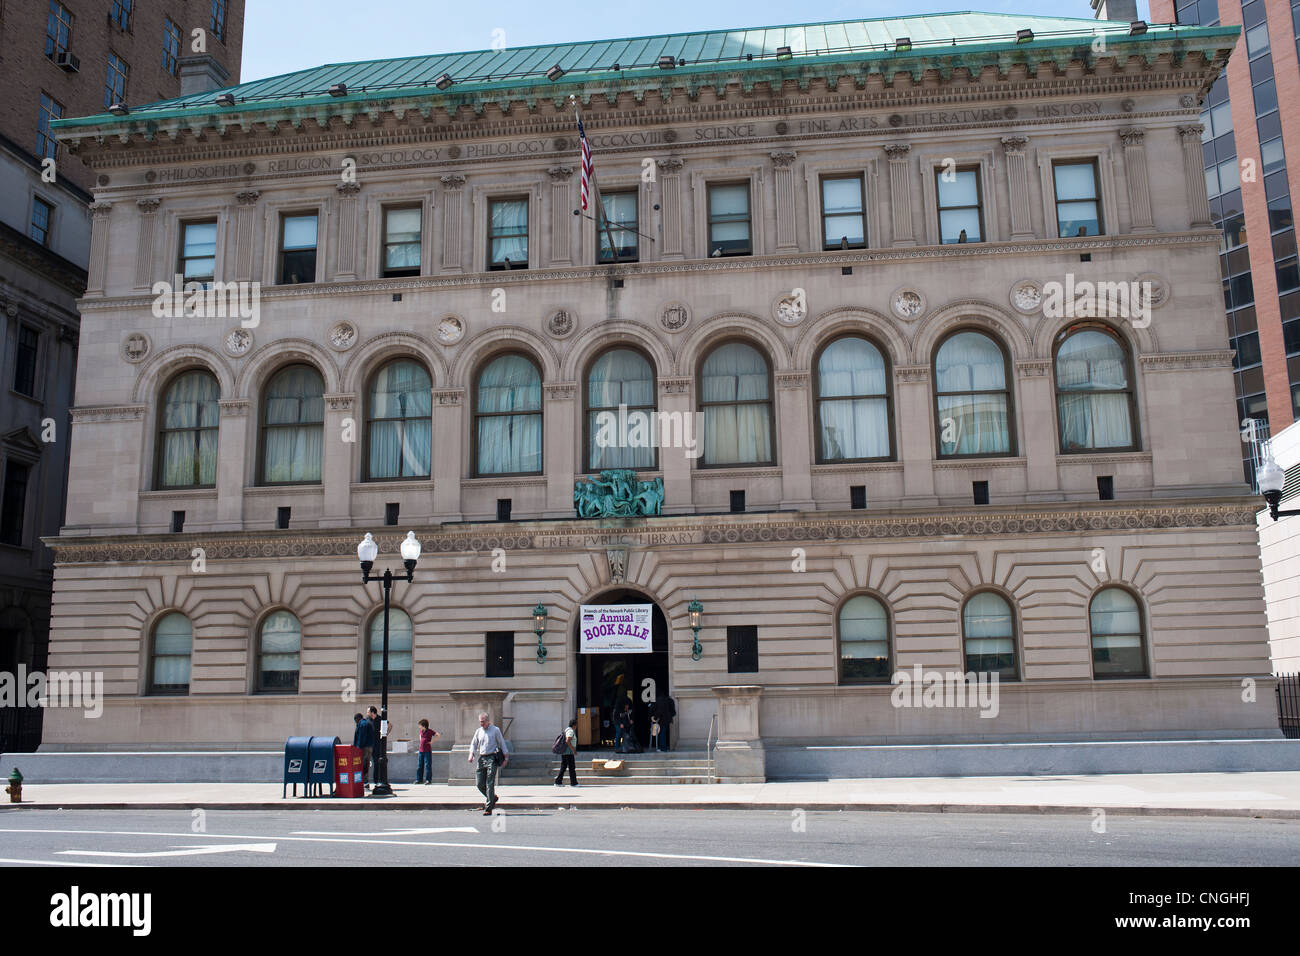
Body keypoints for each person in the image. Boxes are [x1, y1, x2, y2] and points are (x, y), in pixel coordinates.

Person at [467, 711, 509, 814]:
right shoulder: (478, 731)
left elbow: (501, 742)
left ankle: (488, 808)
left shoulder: (495, 730)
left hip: (492, 758)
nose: (481, 724)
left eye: (483, 722)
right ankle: (492, 797)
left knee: (490, 783)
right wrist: (471, 754)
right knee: (479, 784)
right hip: (482, 758)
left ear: (488, 721)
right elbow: (474, 743)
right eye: (480, 722)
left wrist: (506, 757)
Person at [554, 717, 579, 787]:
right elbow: (567, 740)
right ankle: (574, 783)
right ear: (574, 725)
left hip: (565, 752)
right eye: (576, 725)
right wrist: (573, 750)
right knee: (571, 767)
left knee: (564, 766)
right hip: (568, 752)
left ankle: (558, 781)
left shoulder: (567, 730)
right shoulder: (570, 731)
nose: (577, 727)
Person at [352, 712, 374, 790]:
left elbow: (361, 737)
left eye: (356, 721)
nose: (356, 722)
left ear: (358, 719)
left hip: (364, 748)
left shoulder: (362, 724)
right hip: (369, 747)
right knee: (366, 765)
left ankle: (364, 783)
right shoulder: (368, 723)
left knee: (362, 765)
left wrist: (357, 748)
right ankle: (365, 783)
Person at [416, 718, 439, 785]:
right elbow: (420, 736)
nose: (419, 727)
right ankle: (419, 779)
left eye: (420, 725)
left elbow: (437, 735)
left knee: (427, 765)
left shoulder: (429, 731)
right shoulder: (421, 731)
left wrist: (432, 742)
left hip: (427, 751)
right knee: (420, 765)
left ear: (424, 725)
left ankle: (428, 780)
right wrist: (421, 741)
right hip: (421, 750)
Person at [367, 706, 382, 785]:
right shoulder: (367, 720)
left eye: (368, 712)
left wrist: (384, 736)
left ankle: (376, 780)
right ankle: (366, 782)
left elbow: (390, 725)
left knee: (376, 763)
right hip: (369, 745)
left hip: (377, 745)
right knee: (367, 763)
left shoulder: (380, 719)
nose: (367, 713)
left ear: (372, 712)